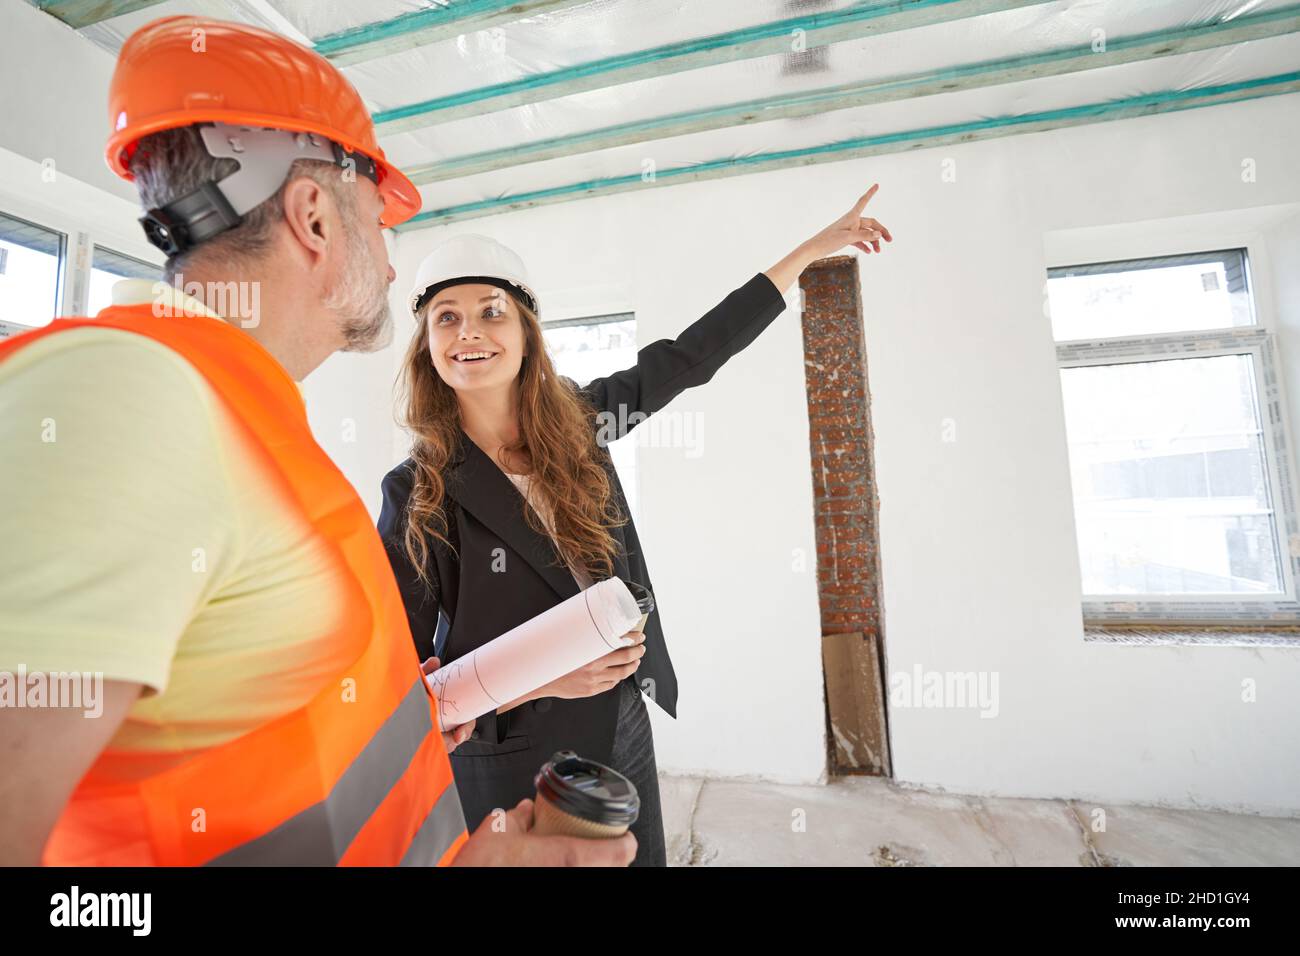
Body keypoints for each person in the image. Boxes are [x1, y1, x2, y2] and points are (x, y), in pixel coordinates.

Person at [0, 15, 632, 868]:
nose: (389, 258)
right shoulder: (126, 397)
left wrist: (421, 721)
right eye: (378, 218)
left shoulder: (240, 421)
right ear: (315, 220)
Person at [378, 193, 892, 865]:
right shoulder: (415, 490)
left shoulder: (581, 424)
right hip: (514, 749)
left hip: (623, 713)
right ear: (428, 347)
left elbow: (692, 356)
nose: (469, 332)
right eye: (447, 318)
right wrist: (548, 682)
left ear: (527, 332)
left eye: (491, 312)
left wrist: (809, 251)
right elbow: (408, 687)